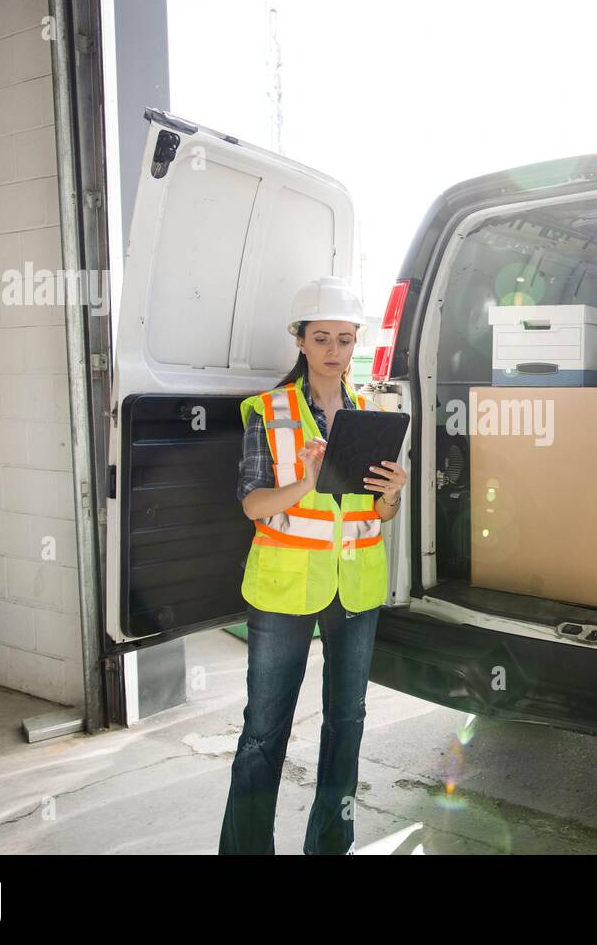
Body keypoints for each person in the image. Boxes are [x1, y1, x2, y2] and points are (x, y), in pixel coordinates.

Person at [218, 276, 407, 855]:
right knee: (263, 733)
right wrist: (303, 480)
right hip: (284, 590)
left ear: (356, 345)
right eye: (321, 337)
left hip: (354, 588)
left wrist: (392, 495)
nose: (333, 350)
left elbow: (374, 513)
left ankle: (330, 846)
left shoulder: (373, 414)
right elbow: (253, 504)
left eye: (345, 339)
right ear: (300, 341)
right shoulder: (269, 412)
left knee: (346, 723)